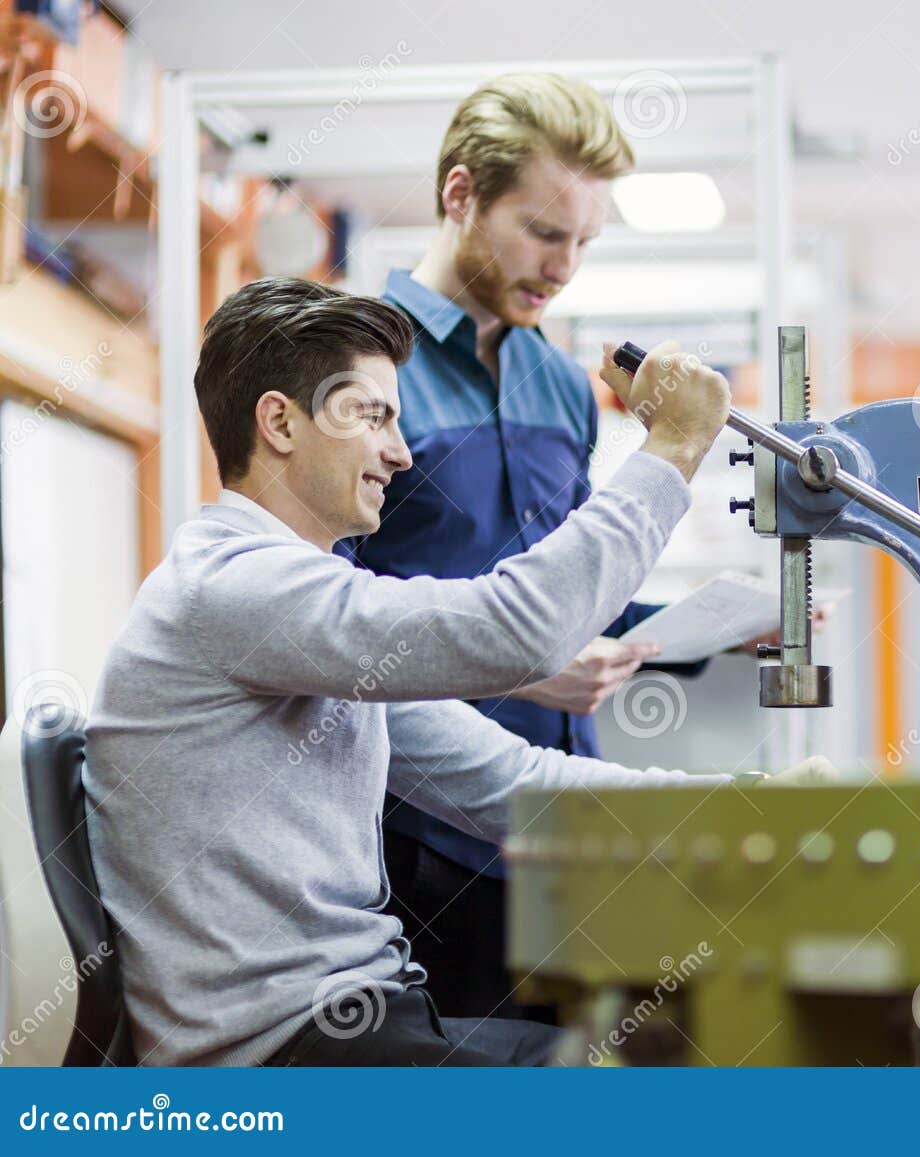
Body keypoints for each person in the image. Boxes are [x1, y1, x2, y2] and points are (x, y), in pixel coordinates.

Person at [84, 277, 830, 1067]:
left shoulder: (299, 617)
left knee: (677, 1054)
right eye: (374, 417)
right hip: (288, 1056)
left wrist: (757, 807)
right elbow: (520, 630)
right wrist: (672, 451)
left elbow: (514, 786)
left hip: (363, 1019)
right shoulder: (236, 587)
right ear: (279, 422)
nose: (401, 453)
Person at [342, 72, 787, 1020]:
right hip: (421, 830)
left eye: (584, 240)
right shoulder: (363, 367)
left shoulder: (561, 384)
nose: (565, 264)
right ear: (460, 195)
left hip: (567, 824)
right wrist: (519, 670)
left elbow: (578, 592)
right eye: (544, 233)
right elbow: (328, 635)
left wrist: (710, 631)